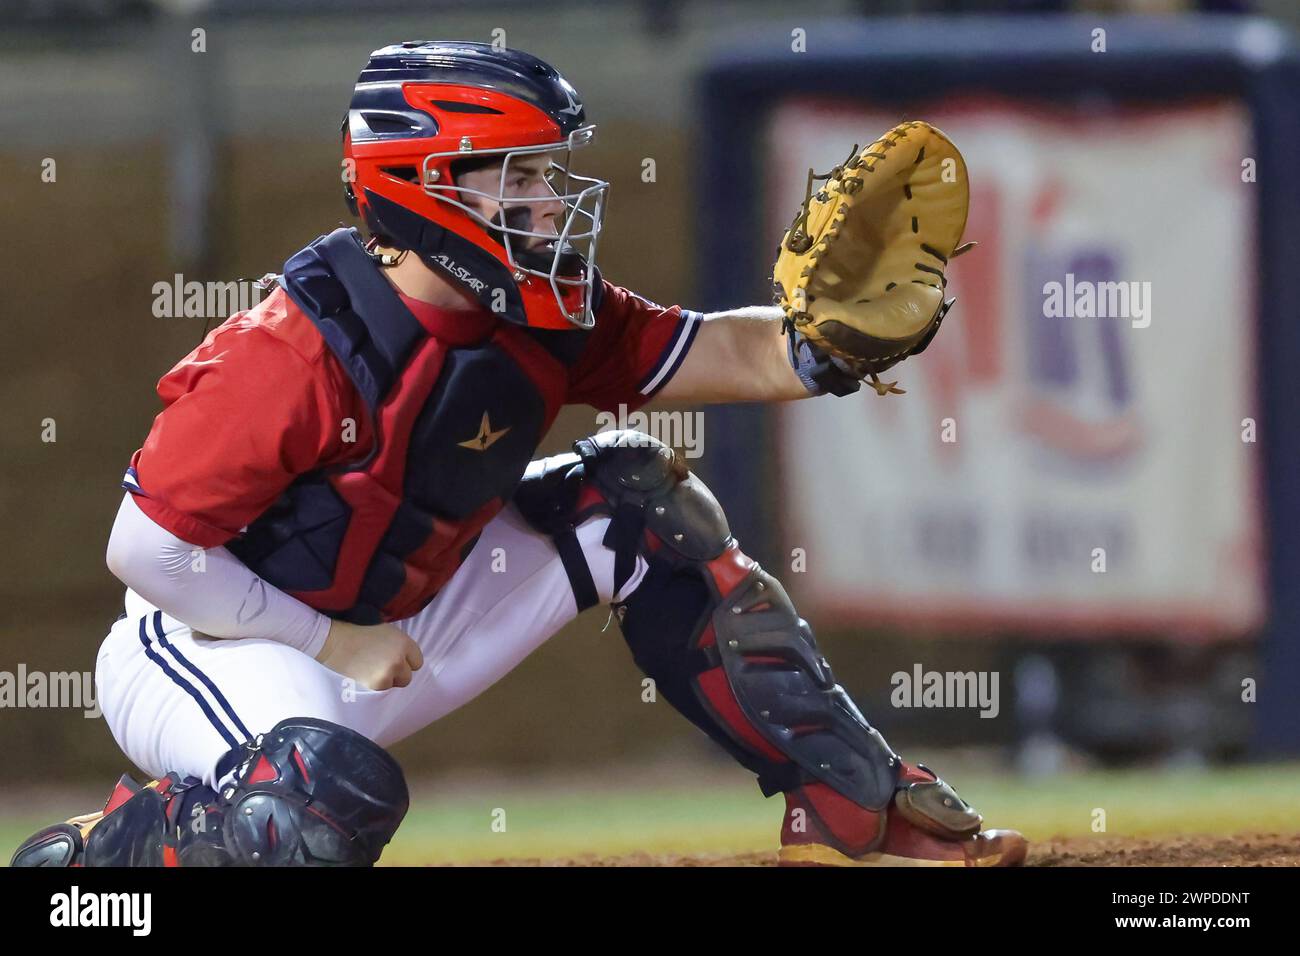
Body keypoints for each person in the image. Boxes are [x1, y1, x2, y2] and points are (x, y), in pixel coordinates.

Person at [12, 41, 1025, 868]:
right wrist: (331, 646)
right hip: (211, 641)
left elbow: (715, 348)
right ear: (424, 187)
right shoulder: (290, 349)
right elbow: (145, 551)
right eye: (522, 176)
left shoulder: (539, 308)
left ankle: (856, 806)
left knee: (639, 495)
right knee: (315, 812)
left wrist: (823, 343)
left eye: (549, 172)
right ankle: (104, 860)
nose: (552, 200)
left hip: (396, 622)